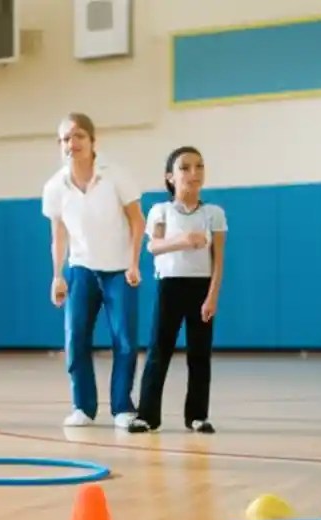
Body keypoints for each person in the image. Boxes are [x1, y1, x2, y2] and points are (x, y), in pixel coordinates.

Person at [41, 113, 146, 430]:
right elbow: (58, 234)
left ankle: (122, 409)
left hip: (119, 271)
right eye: (64, 139)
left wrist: (133, 262)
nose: (70, 144)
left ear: (92, 140)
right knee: (75, 339)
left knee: (125, 340)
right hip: (81, 269)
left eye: (77, 136)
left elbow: (137, 220)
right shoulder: (54, 187)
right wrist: (57, 275)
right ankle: (82, 407)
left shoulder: (116, 175)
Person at [128, 146, 225, 434]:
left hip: (200, 288)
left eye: (199, 166)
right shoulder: (161, 211)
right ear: (170, 176)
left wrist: (212, 296)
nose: (193, 173)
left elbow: (218, 260)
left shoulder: (214, 214)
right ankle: (147, 415)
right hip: (169, 286)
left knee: (199, 354)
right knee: (159, 350)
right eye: (185, 167)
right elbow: (153, 246)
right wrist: (183, 239)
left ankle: (197, 416)